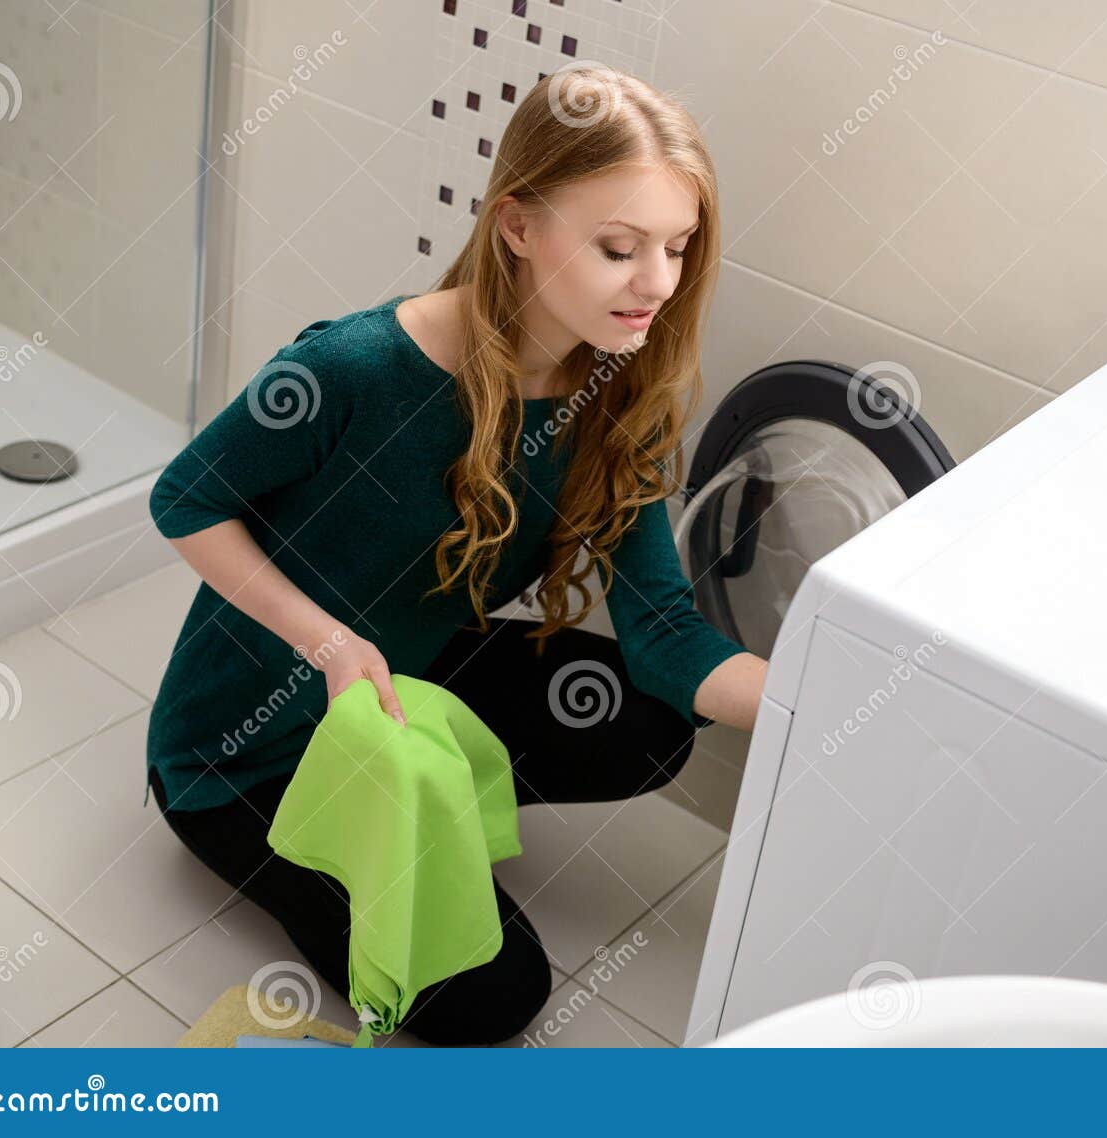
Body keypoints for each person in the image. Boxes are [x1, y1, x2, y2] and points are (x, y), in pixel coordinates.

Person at [143, 65, 767, 1046]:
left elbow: (664, 639)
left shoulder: (612, 392)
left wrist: (826, 697)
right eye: (618, 247)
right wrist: (327, 643)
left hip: (410, 687)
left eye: (677, 248)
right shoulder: (352, 367)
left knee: (649, 721)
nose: (656, 282)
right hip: (243, 754)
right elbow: (184, 498)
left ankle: (427, 798)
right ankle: (370, 828)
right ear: (516, 225)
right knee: (492, 1001)